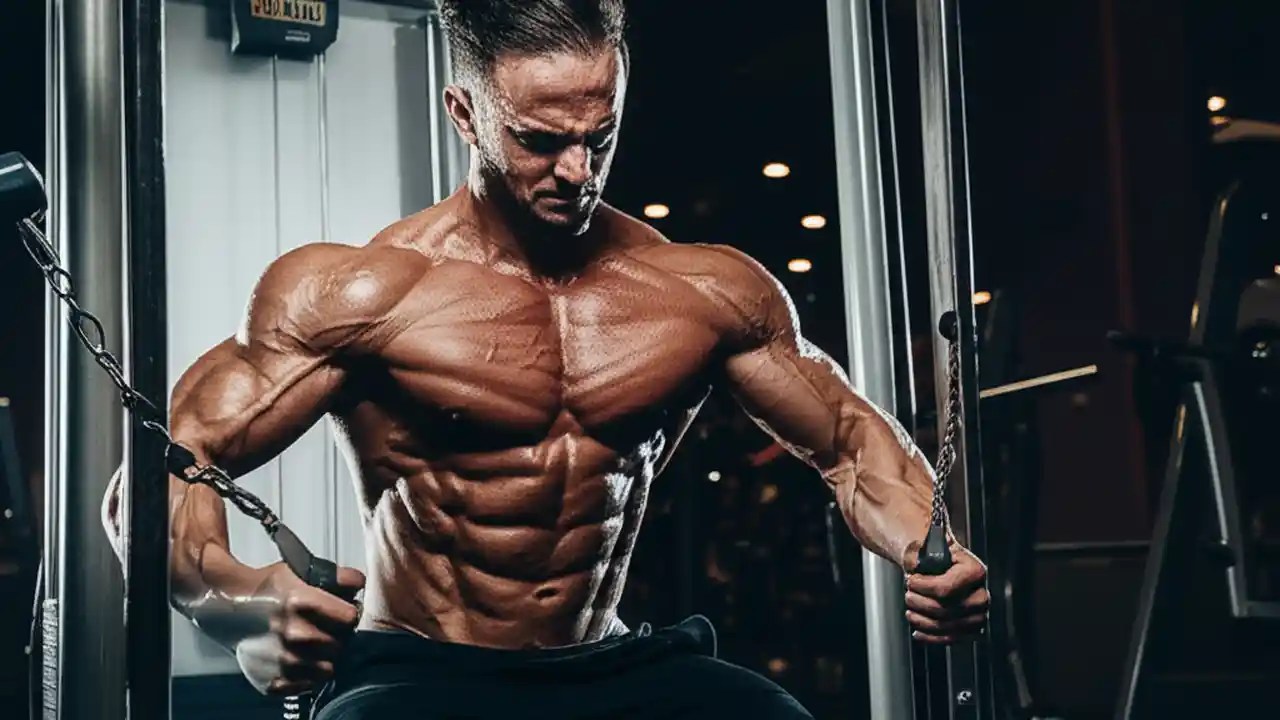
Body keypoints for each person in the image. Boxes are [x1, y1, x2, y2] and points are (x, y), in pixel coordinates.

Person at [106, 1, 989, 717]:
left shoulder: (705, 293)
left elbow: (844, 437)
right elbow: (168, 466)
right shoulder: (362, 296)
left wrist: (931, 551)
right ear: (465, 113)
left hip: (611, 662)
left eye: (598, 137)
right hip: (421, 674)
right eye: (538, 140)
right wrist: (231, 603)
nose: (577, 171)